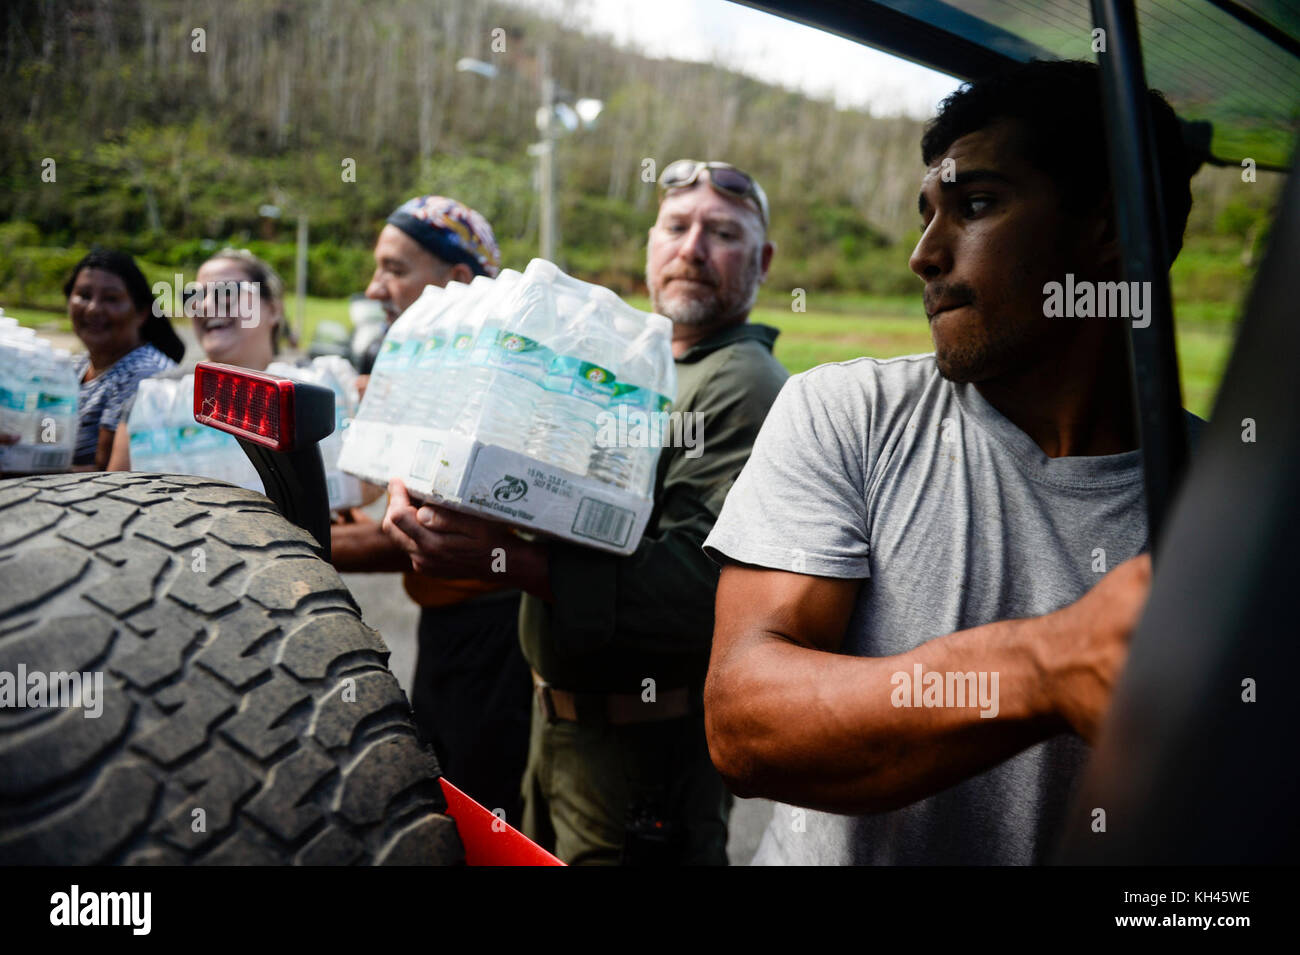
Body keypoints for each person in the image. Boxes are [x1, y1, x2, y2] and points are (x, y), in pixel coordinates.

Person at [701, 60, 1201, 865]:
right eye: (926, 214)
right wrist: (1044, 666)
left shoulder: (1228, 504)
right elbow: (745, 720)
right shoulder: (848, 415)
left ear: (1113, 230)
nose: (923, 255)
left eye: (976, 205)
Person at [381, 161, 789, 864]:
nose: (691, 249)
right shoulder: (642, 368)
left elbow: (698, 589)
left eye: (722, 232)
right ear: (650, 243)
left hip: (642, 758)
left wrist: (501, 557)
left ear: (763, 259)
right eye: (676, 227)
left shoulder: (741, 384)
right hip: (563, 736)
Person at [330, 195, 535, 828]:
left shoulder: (494, 381)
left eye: (395, 268)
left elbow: (422, 532)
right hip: (449, 626)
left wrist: (300, 544)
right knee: (445, 798)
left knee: (476, 813)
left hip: (494, 637)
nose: (374, 287)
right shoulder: (441, 366)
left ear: (458, 281)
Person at [105, 248, 285, 471]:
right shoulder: (157, 398)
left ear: (274, 309)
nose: (205, 306)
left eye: (226, 292)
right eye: (193, 296)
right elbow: (118, 493)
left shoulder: (317, 390)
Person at [64, 250, 185, 470]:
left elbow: (103, 475)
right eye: (84, 295)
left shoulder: (143, 374)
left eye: (111, 299)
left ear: (141, 313)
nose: (93, 308)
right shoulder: (74, 367)